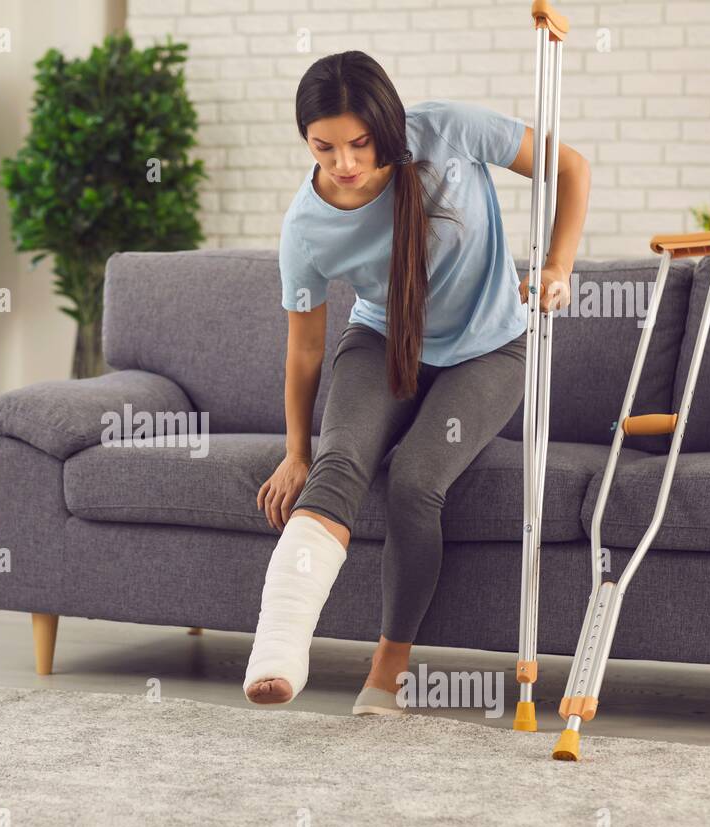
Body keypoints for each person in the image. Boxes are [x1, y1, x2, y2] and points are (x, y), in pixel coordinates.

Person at [242, 50, 589, 714]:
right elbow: (306, 351)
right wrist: (296, 451)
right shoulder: (306, 226)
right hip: (382, 342)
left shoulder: (451, 131)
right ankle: (280, 648)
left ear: (386, 124)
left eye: (359, 143)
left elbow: (569, 166)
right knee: (339, 463)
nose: (343, 163)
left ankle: (389, 669)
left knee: (415, 479)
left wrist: (559, 265)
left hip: (489, 349)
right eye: (324, 147)